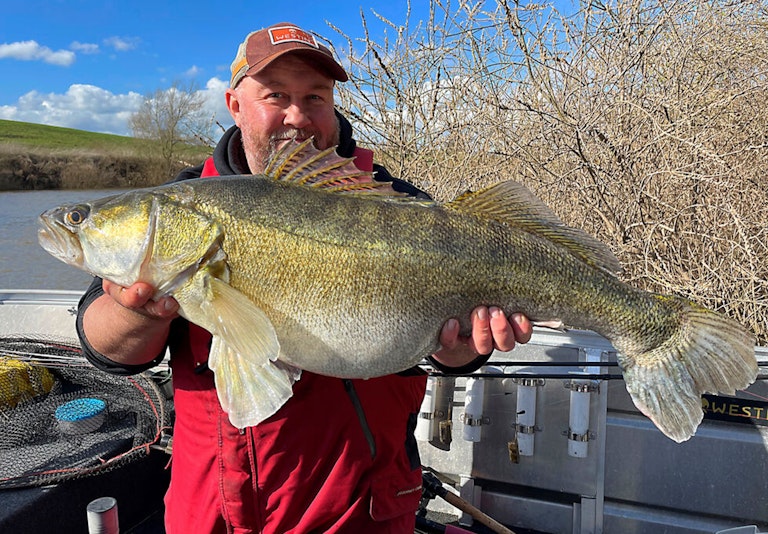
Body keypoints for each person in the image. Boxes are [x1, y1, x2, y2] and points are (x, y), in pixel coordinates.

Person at [76, 22, 532, 534]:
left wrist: (462, 349)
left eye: (315, 96)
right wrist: (132, 308)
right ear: (235, 104)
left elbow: (453, 352)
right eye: (276, 95)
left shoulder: (398, 207)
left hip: (366, 509)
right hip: (215, 512)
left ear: (334, 102)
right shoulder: (180, 205)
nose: (297, 115)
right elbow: (106, 347)